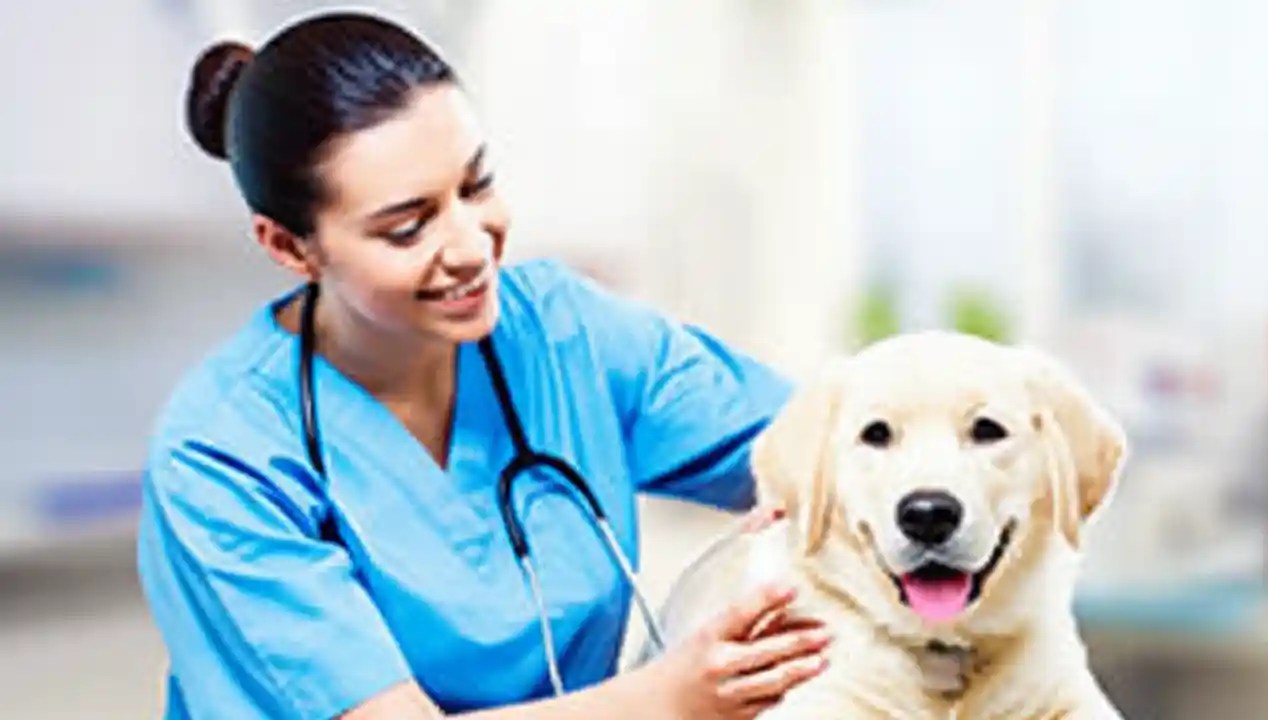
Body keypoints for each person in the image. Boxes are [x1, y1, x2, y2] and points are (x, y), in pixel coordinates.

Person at [136, 10, 830, 720]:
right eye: (408, 227)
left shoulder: (564, 333)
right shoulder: (221, 455)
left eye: (476, 186)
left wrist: (812, 487)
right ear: (289, 247)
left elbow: (833, 441)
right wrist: (668, 699)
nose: (472, 247)